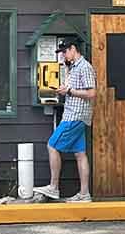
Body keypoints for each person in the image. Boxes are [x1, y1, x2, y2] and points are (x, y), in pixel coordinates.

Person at [33, 37, 97, 202]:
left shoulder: (84, 67)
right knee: (80, 154)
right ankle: (84, 194)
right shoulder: (74, 67)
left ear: (73, 49)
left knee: (52, 145)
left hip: (74, 116)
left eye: (64, 52)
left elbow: (92, 93)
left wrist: (69, 91)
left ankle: (53, 187)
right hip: (76, 115)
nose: (63, 56)